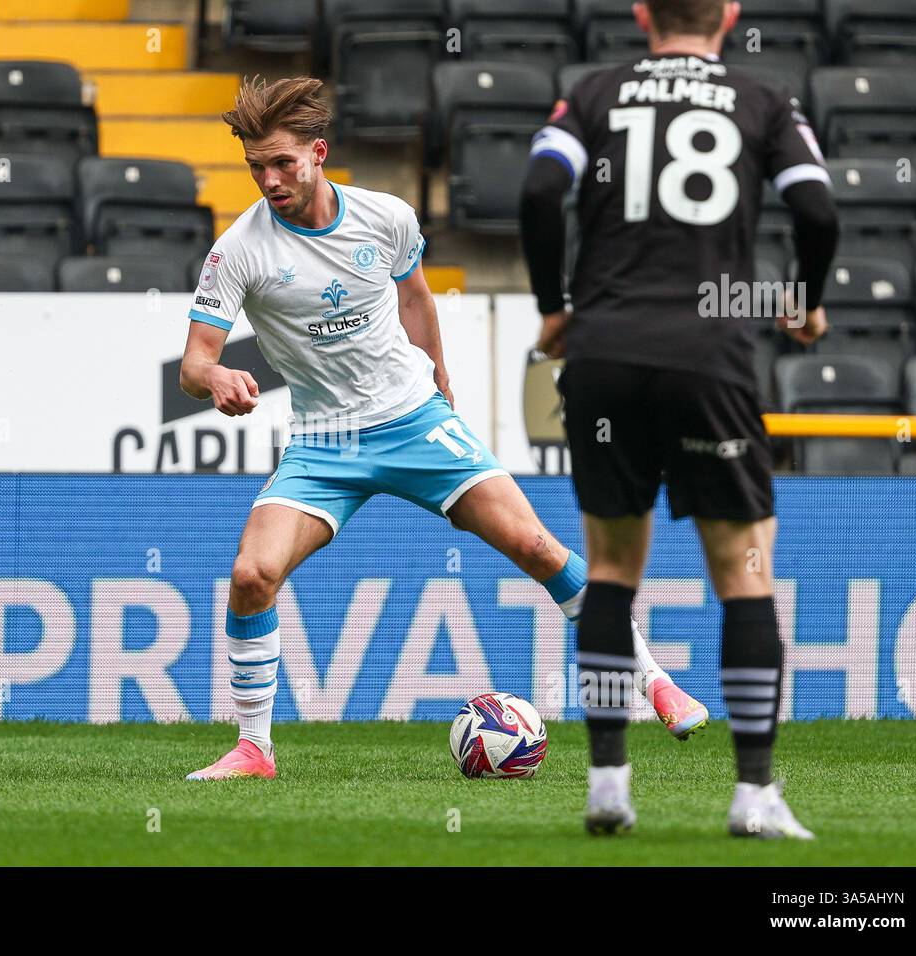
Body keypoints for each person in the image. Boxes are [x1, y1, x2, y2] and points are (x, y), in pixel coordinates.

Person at [179, 76, 707, 782]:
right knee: (252, 575)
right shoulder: (238, 250)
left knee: (534, 543)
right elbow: (193, 362)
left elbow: (418, 301)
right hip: (323, 441)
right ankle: (254, 748)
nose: (269, 180)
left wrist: (444, 391)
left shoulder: (387, 218)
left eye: (283, 163)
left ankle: (653, 681)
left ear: (319, 152)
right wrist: (216, 379)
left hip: (413, 420)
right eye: (256, 168)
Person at [520, 0, 839, 837]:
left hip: (605, 355)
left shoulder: (591, 92)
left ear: (640, 12)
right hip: (711, 359)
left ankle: (608, 782)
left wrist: (555, 309)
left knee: (611, 568)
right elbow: (817, 210)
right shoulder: (762, 98)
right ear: (730, 14)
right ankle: (754, 796)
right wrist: (803, 299)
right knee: (744, 574)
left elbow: (540, 189)